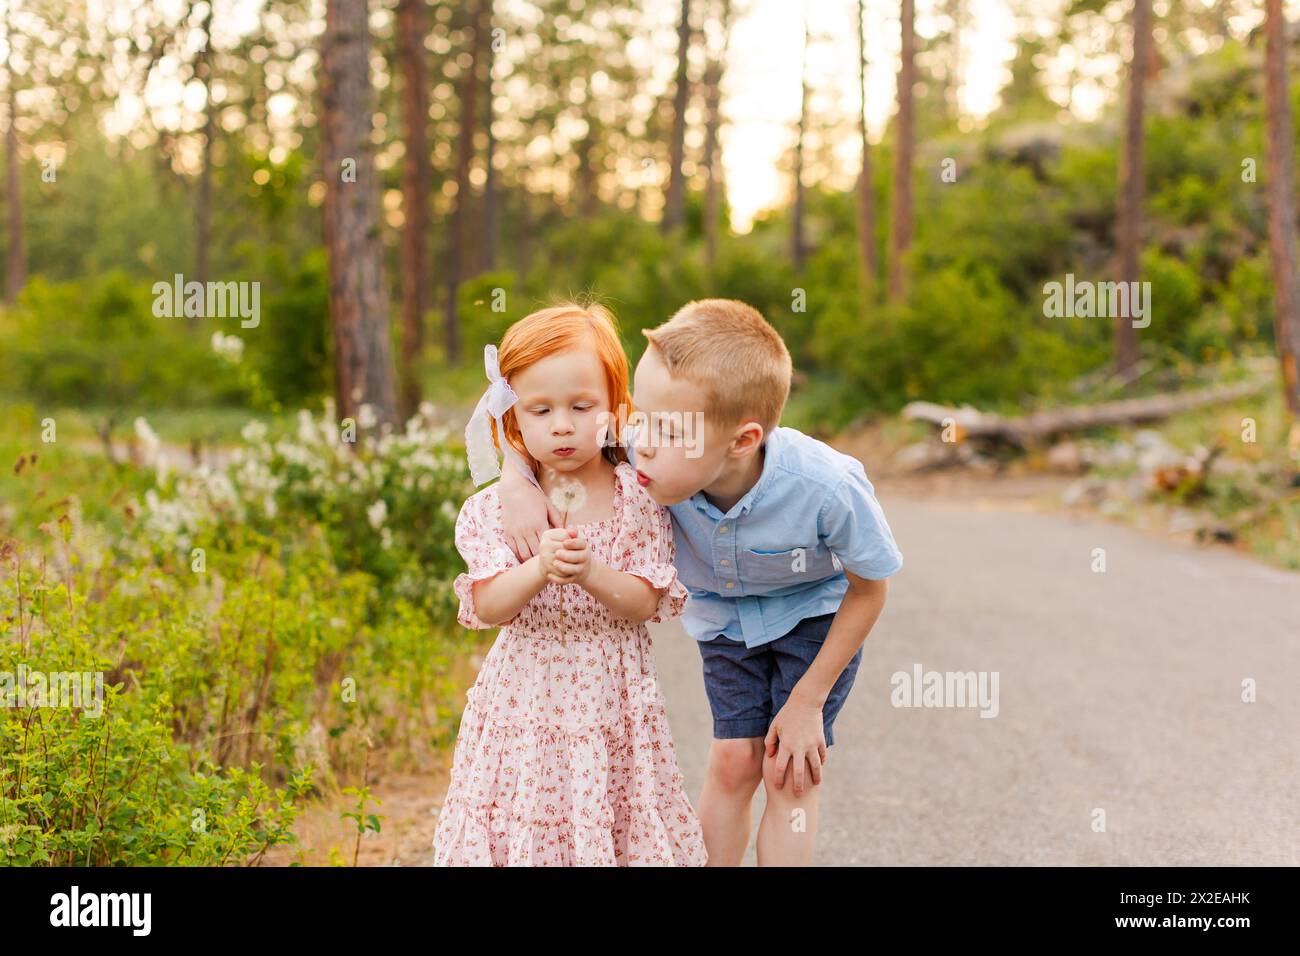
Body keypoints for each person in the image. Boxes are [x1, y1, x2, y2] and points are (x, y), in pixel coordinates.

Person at [498, 298, 903, 866]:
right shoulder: (642, 448)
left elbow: (870, 588)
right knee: (734, 761)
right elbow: (535, 426)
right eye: (640, 418)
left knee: (789, 769)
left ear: (741, 440)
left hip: (813, 621)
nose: (642, 443)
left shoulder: (827, 488)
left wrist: (807, 702)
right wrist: (513, 480)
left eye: (667, 431)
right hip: (724, 623)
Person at [432, 302, 707, 867]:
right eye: (540, 410)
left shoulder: (637, 496)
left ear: (614, 411)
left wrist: (591, 573)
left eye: (582, 407)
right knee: (525, 813)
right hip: (525, 696)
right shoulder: (495, 510)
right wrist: (536, 569)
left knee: (610, 815)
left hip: (612, 693)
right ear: (513, 423)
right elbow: (486, 606)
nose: (562, 424)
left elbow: (645, 602)